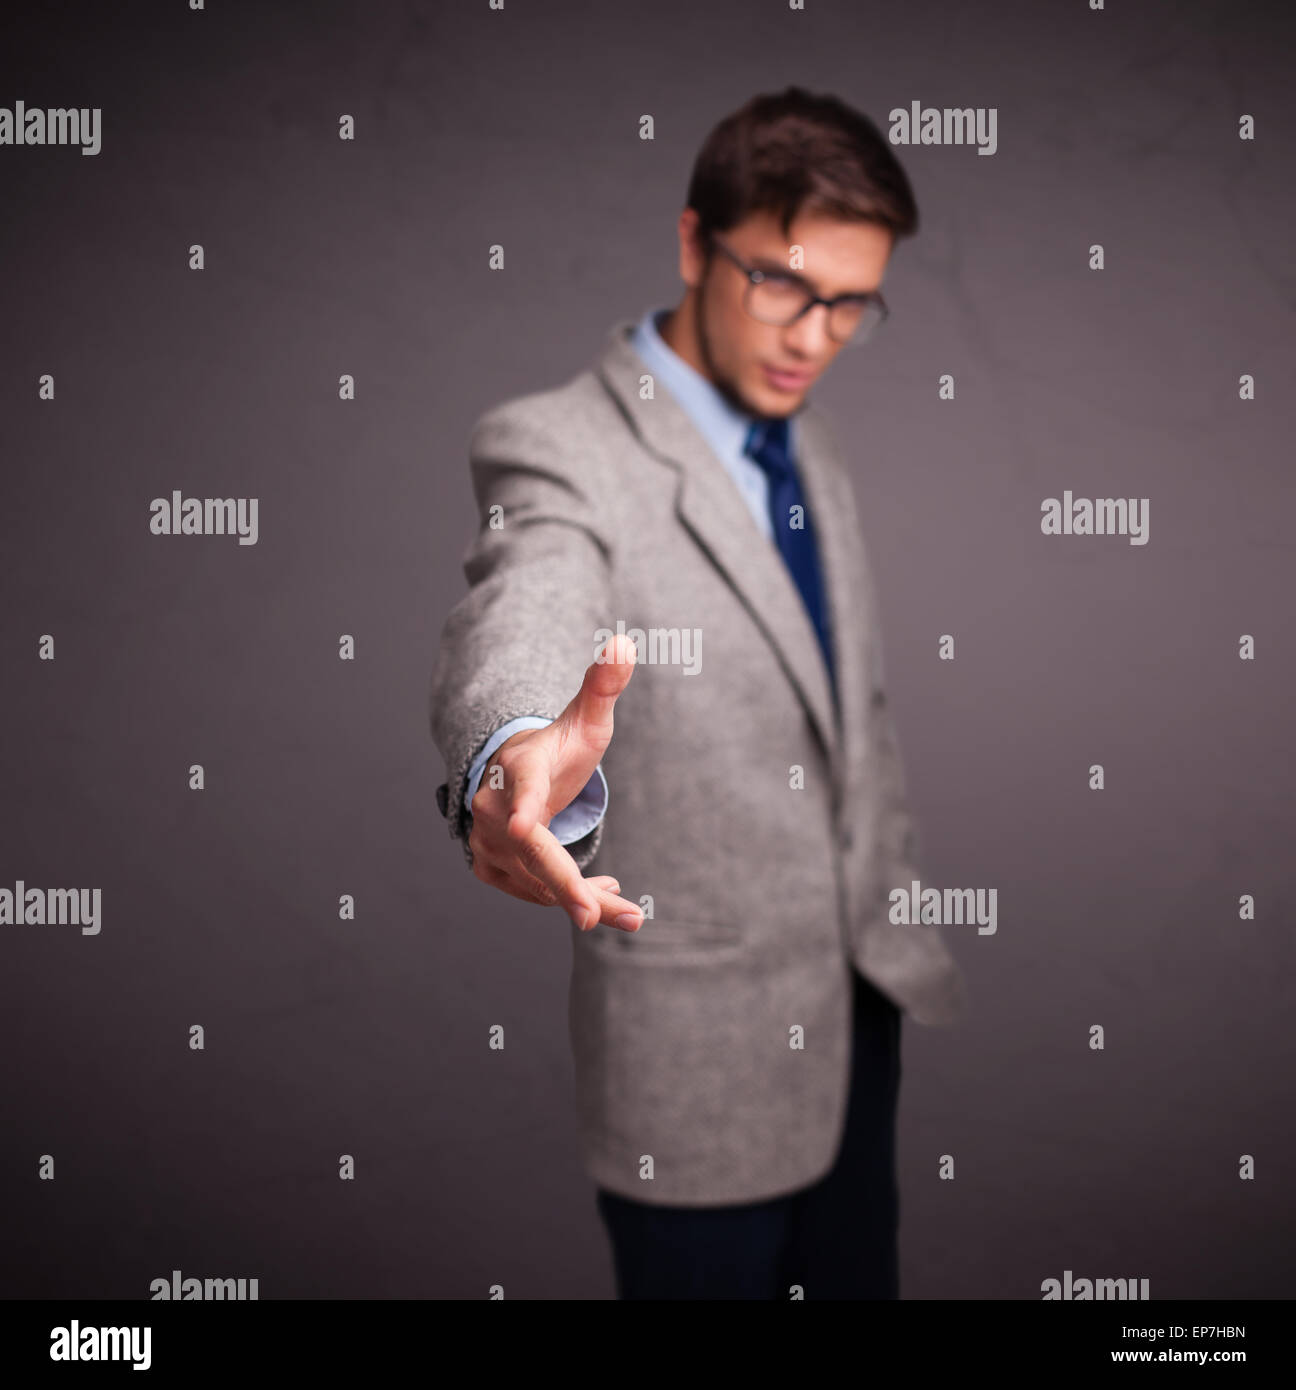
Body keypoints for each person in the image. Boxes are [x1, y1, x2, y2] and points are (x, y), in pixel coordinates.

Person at [430, 86, 967, 1300]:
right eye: (784, 284)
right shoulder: (560, 444)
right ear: (691, 243)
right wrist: (515, 742)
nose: (816, 336)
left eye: (851, 304)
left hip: (853, 1015)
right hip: (696, 1068)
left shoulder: (805, 441)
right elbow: (527, 589)